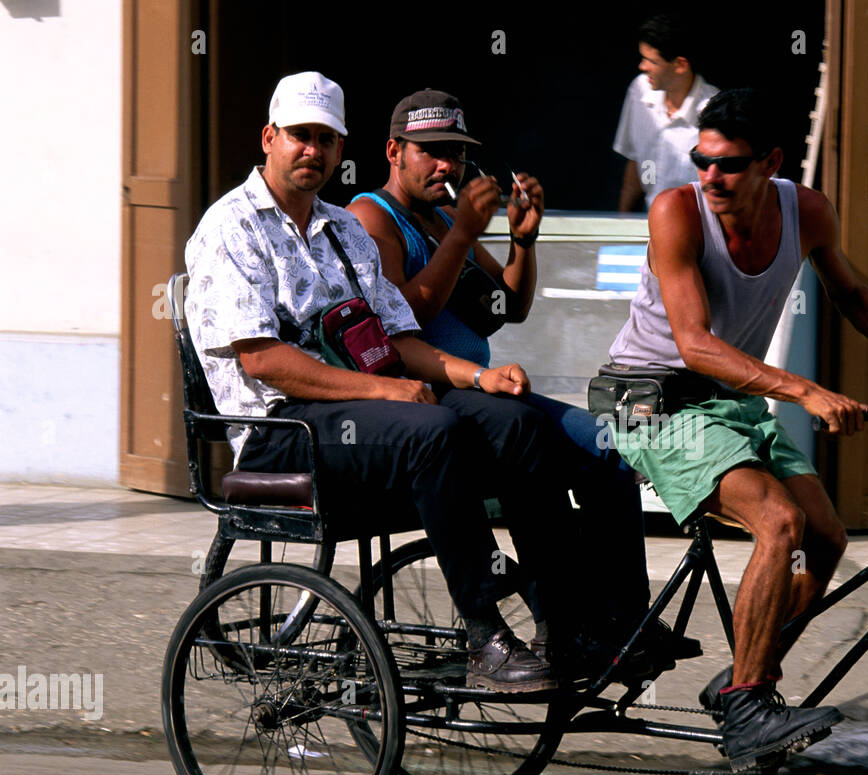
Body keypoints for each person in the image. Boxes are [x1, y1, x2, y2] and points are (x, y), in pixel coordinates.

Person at [602, 88, 868, 775]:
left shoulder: (805, 210)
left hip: (728, 402)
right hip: (648, 400)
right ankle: (748, 703)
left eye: (729, 166)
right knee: (779, 521)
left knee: (826, 536)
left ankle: (746, 678)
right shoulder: (677, 212)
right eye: (701, 162)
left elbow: (855, 296)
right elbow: (693, 342)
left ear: (771, 162)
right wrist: (803, 389)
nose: (709, 178)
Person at [184, 71, 581, 694]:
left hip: (361, 414)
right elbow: (261, 358)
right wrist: (381, 390)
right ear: (270, 138)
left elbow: (399, 342)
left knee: (518, 423)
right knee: (432, 430)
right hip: (281, 428)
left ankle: (562, 623)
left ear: (342, 150)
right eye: (300, 136)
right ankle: (484, 634)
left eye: (326, 139)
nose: (312, 150)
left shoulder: (344, 229)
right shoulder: (231, 227)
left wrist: (481, 375)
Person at [347, 89, 691, 678]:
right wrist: (460, 237)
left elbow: (507, 305)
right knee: (526, 435)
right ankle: (562, 624)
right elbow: (399, 319)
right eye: (430, 152)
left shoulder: (446, 217)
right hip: (428, 394)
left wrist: (522, 242)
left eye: (454, 153)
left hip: (479, 387)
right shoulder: (372, 215)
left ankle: (624, 621)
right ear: (393, 152)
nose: (445, 166)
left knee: (610, 451)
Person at [613, 13, 719, 212]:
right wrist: (622, 220)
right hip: (648, 225)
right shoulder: (639, 91)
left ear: (680, 65)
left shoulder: (716, 110)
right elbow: (637, 162)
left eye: (651, 61)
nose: (642, 66)